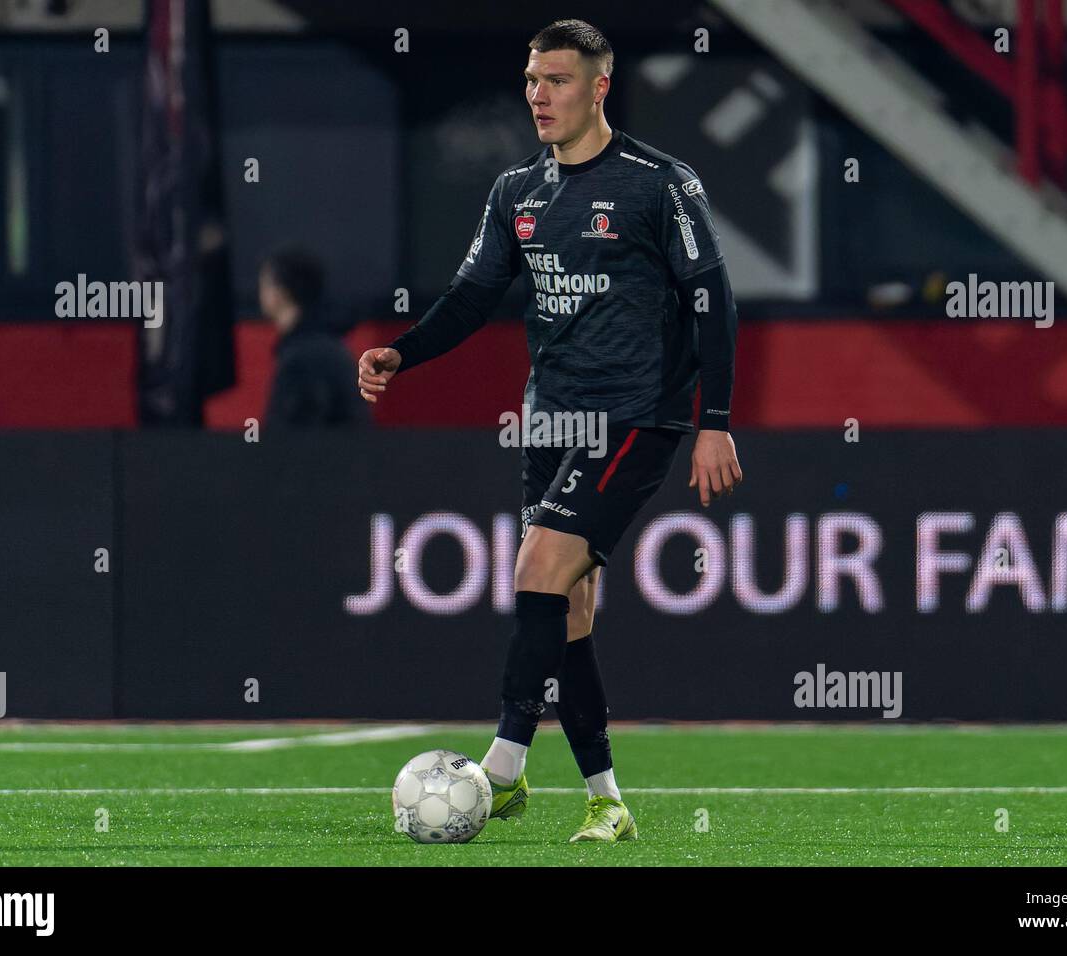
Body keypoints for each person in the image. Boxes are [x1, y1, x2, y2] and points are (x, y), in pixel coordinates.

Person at [356, 19, 742, 842]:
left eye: (556, 80)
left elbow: (713, 298)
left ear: (599, 88)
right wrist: (402, 352)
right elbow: (471, 299)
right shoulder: (516, 193)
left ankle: (499, 770)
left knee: (537, 567)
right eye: (531, 79)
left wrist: (715, 421)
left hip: (639, 416)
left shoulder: (658, 183)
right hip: (550, 420)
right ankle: (608, 800)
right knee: (566, 615)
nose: (538, 94)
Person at [260, 248, 368, 428]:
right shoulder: (327, 345)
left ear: (280, 292)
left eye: (264, 284)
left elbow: (293, 439)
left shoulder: (302, 359)